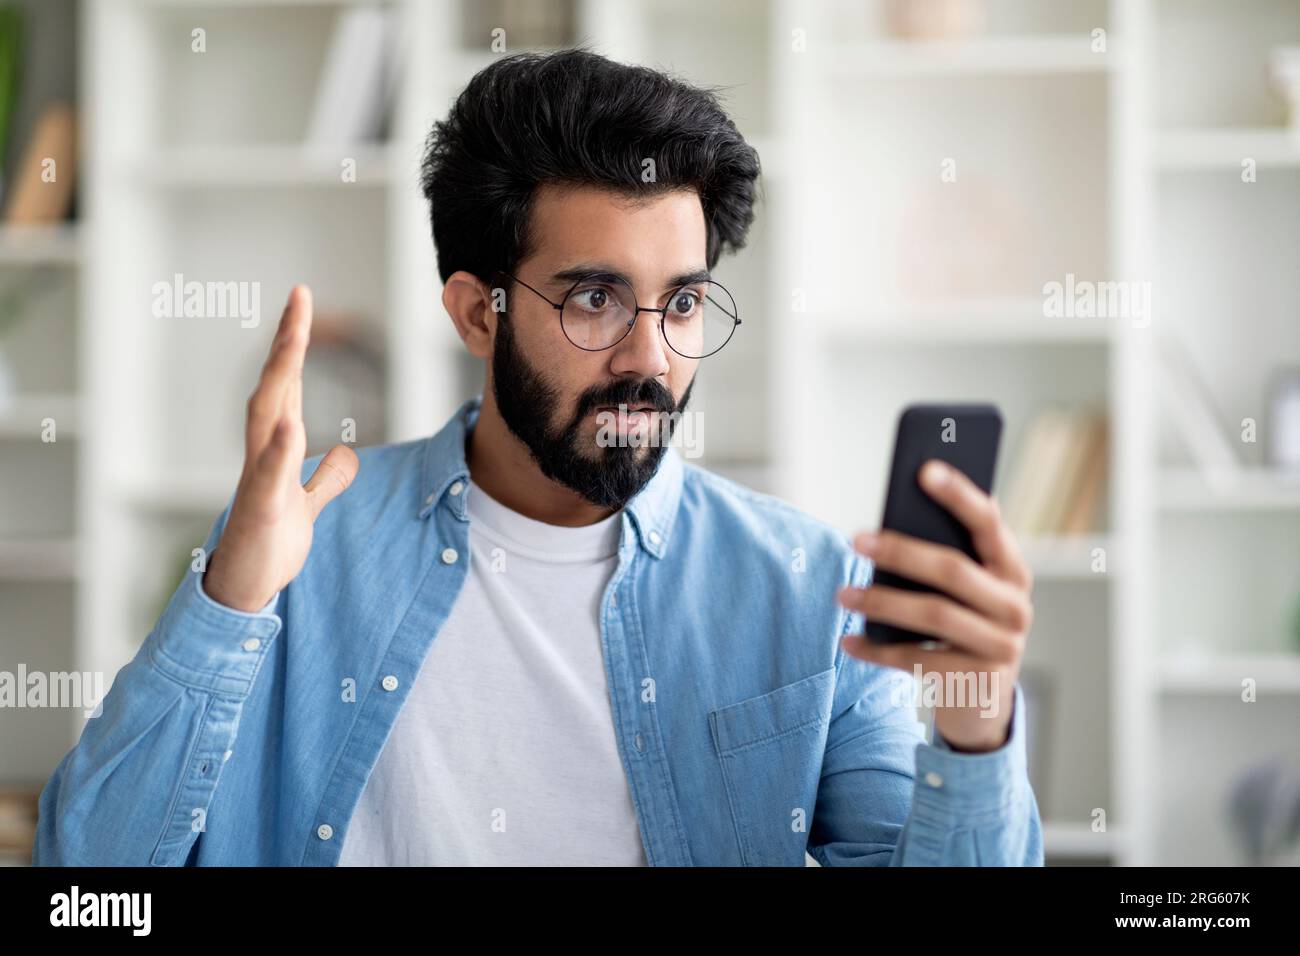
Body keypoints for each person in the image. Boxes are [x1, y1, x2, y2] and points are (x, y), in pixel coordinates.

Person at [34, 48, 1041, 866]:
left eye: (682, 301)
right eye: (595, 298)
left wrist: (974, 723)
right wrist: (228, 602)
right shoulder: (300, 551)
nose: (650, 358)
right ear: (480, 311)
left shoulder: (817, 589)